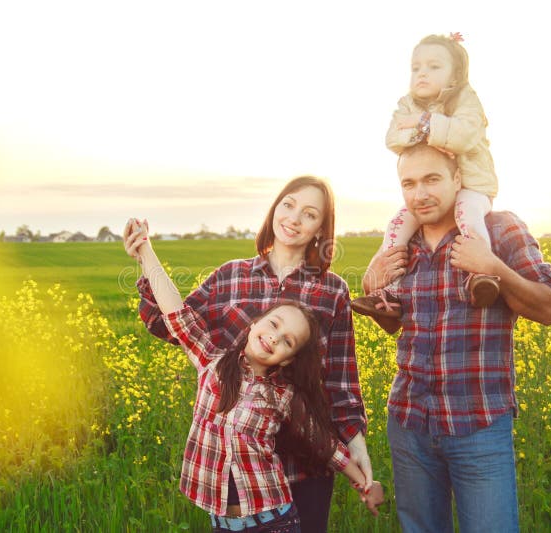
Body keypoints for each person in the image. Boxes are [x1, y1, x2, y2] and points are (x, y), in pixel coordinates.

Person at [130, 176, 381, 532]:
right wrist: (144, 256)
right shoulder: (230, 276)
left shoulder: (333, 290)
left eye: (309, 215)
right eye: (289, 205)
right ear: (275, 208)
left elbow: (341, 381)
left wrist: (357, 447)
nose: (294, 219)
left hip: (306, 465)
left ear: (321, 229)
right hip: (233, 472)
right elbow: (174, 323)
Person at [361, 144, 551, 531]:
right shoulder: (403, 241)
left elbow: (548, 307)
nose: (420, 193)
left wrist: (492, 268)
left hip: (479, 425)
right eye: (409, 183)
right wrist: (381, 301)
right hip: (410, 423)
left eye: (432, 179)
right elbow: (399, 323)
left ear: (457, 179)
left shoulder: (498, 228)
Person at [352, 32, 501, 321]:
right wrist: (434, 129)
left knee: (468, 215)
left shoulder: (467, 99)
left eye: (434, 67)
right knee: (397, 225)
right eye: (416, 67)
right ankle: (388, 293)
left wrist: (422, 123)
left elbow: (463, 135)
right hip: (434, 192)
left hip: (473, 185)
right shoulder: (407, 102)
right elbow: (394, 138)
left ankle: (480, 277)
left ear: (455, 75)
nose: (422, 74)